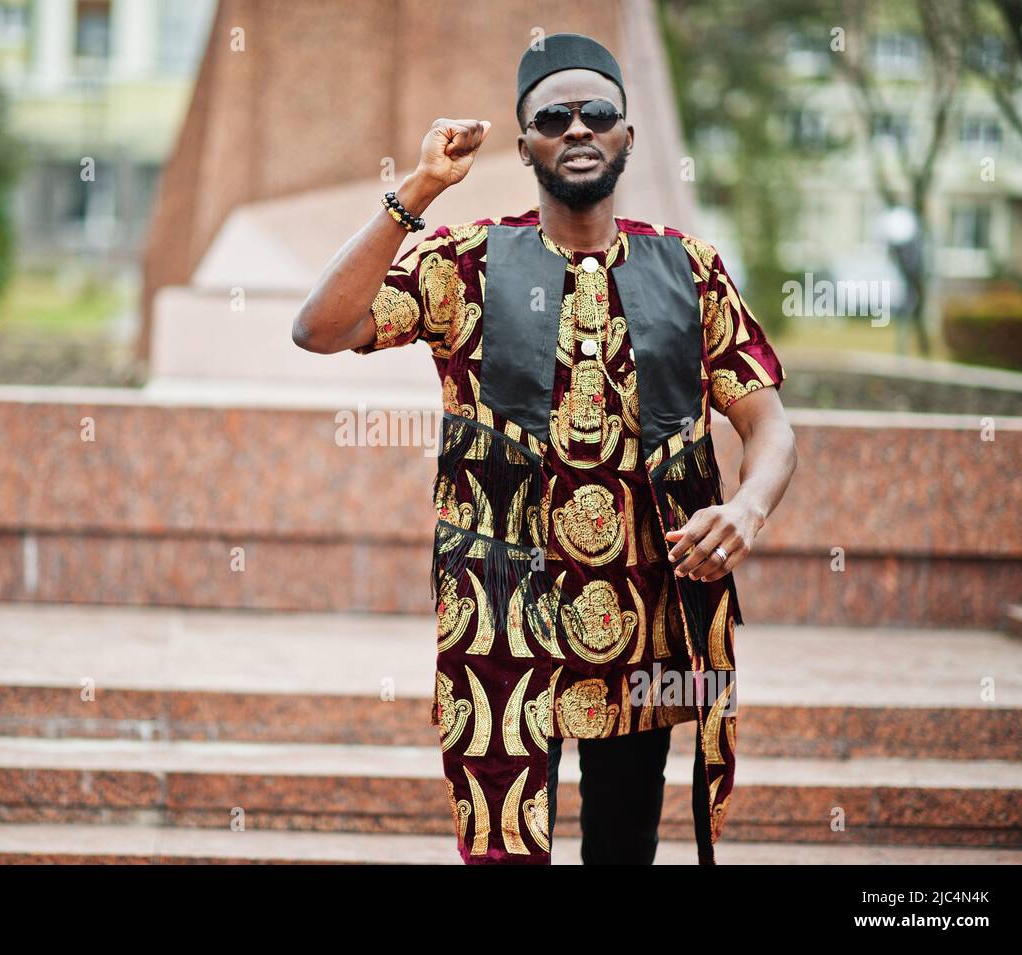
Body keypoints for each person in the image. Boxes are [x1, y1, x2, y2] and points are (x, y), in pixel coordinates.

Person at [293, 32, 797, 865]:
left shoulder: (692, 269)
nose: (577, 128)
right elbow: (321, 327)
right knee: (501, 850)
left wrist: (748, 504)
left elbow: (770, 425)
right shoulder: (468, 262)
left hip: (653, 615)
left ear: (628, 135)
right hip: (501, 615)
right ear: (524, 141)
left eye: (597, 112)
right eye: (552, 116)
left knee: (626, 846)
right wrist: (418, 188)